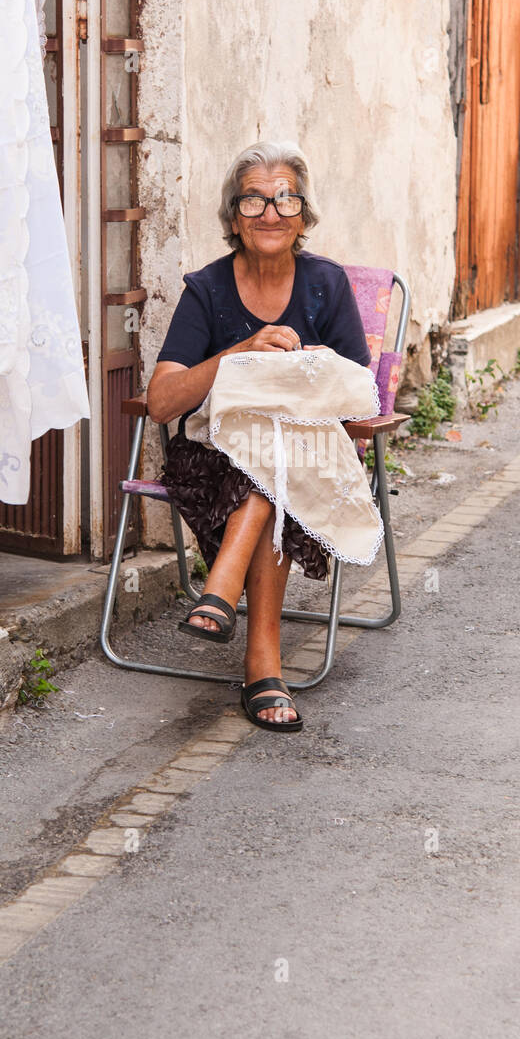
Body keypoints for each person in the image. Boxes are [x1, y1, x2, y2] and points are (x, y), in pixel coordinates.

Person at [146, 141, 371, 731]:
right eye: (253, 201)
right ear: (233, 217)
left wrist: (310, 373)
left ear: (303, 214)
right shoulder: (208, 289)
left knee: (277, 463)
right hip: (210, 459)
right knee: (265, 475)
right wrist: (242, 351)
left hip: (309, 455)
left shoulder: (327, 284)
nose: (270, 213)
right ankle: (262, 668)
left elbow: (357, 397)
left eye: (284, 198)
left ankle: (220, 590)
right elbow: (163, 402)